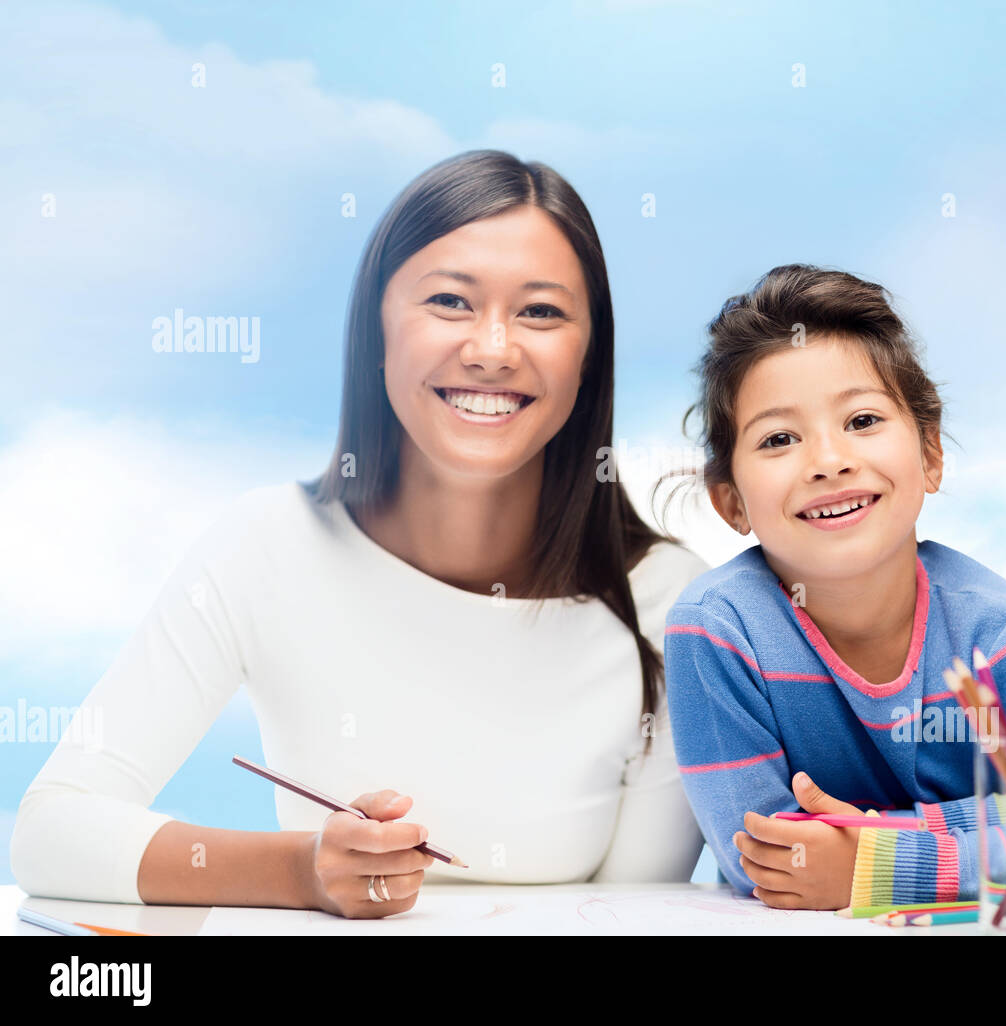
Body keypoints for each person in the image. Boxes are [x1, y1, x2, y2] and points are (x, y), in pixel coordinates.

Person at [12, 150, 708, 918]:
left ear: (589, 354)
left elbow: (646, 917)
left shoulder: (671, 605)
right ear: (377, 326)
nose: (492, 348)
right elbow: (51, 831)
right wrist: (301, 872)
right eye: (449, 301)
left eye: (541, 311)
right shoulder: (265, 545)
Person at [662, 264, 1006, 910]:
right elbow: (770, 859)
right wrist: (1003, 819)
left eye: (862, 420)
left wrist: (881, 857)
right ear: (732, 503)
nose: (829, 461)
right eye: (779, 438)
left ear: (931, 454)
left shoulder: (999, 631)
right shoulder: (718, 629)